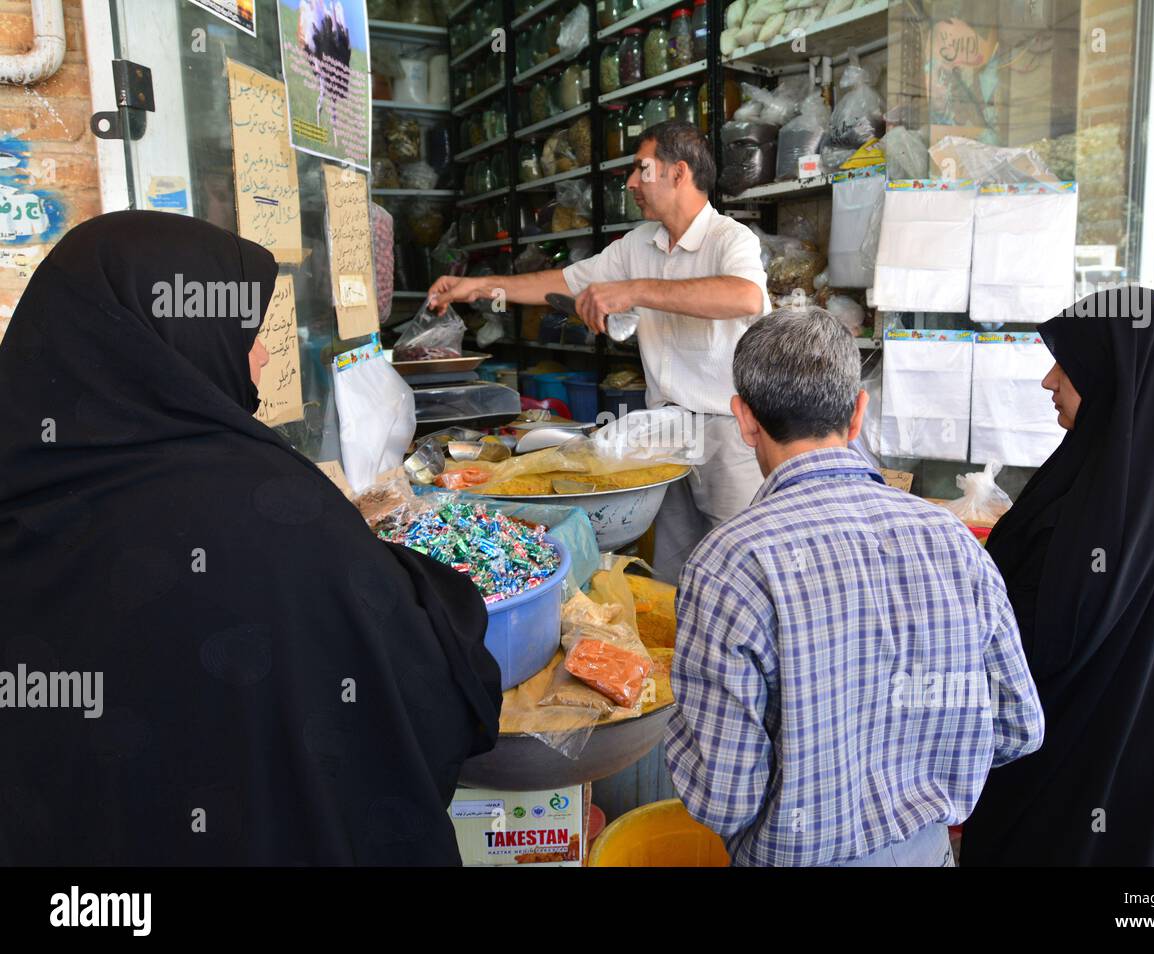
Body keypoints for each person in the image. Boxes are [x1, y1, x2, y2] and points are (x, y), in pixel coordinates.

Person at [0, 211, 502, 865]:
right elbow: (411, 685)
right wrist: (434, 594)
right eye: (246, 334)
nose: (262, 354)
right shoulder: (265, 506)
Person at [663, 307, 1045, 867]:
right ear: (859, 411)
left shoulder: (728, 564)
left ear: (744, 420)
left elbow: (726, 797)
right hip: (930, 854)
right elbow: (1018, 726)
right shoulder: (952, 538)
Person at [960, 289, 1154, 866]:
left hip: (1074, 797)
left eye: (1067, 364)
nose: (1050, 381)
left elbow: (1033, 647)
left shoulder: (1102, 509)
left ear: (1112, 374)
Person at [428, 121, 770, 581]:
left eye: (640, 169)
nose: (630, 182)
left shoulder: (731, 239)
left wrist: (634, 291)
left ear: (678, 172)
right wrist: (477, 287)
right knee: (673, 565)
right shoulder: (637, 246)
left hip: (732, 432)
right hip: (666, 430)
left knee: (740, 565)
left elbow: (743, 296)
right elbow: (560, 281)